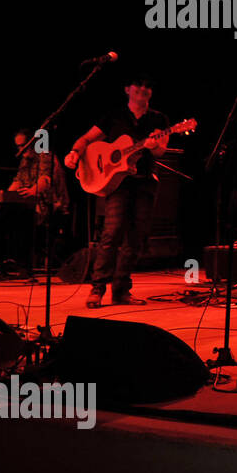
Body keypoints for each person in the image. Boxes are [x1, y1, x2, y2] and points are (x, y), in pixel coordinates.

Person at [63, 76, 170, 308]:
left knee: (136, 239)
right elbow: (86, 139)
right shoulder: (114, 116)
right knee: (111, 235)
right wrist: (74, 153)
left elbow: (161, 152)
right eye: (138, 85)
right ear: (127, 89)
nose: (143, 89)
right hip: (118, 184)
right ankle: (97, 288)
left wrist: (154, 146)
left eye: (148, 86)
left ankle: (121, 291)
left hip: (145, 183)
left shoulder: (159, 119)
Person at [0, 128, 70, 272]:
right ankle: (4, 261)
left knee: (14, 217)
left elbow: (45, 180)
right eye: (18, 146)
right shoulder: (26, 160)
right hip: (33, 205)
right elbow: (18, 181)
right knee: (2, 213)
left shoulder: (45, 155)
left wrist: (32, 191)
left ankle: (18, 262)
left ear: (33, 142)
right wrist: (5, 197)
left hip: (51, 206)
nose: (21, 149)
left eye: (23, 145)